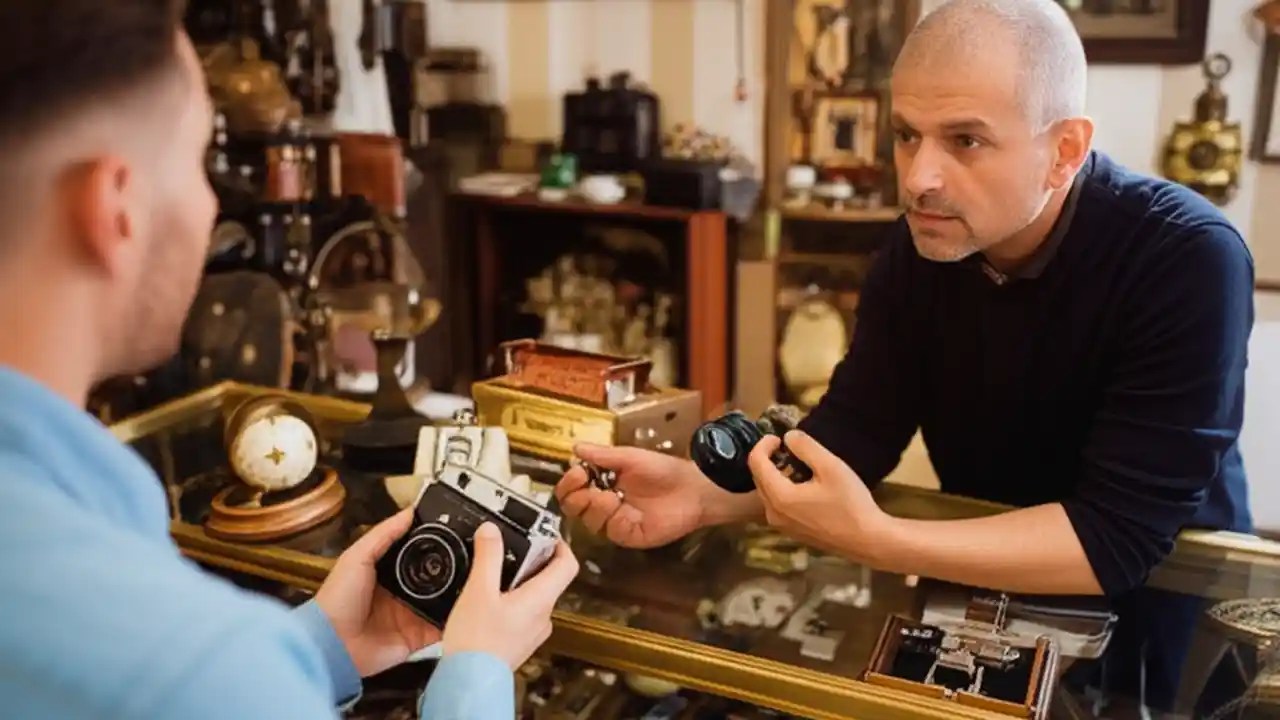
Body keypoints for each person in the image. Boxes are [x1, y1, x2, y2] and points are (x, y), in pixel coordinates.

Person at [557, 0, 1252, 713]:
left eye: (966, 140)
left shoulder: (1187, 257)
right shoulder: (918, 248)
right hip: (982, 582)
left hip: (1164, 604)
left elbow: (1117, 537)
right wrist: (705, 496)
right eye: (905, 135)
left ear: (1065, 150)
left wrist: (882, 541)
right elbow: (855, 432)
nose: (919, 178)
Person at [0, 3, 579, 718]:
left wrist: (316, 651)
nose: (212, 206)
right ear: (116, 209)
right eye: (198, 163)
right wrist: (477, 675)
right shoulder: (191, 667)